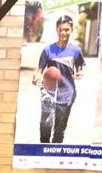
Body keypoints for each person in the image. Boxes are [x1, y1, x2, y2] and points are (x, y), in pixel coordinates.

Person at [33, 15, 85, 144]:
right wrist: (37, 77)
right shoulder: (47, 50)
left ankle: (54, 157)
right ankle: (43, 154)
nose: (63, 32)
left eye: (67, 29)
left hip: (67, 95)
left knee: (59, 130)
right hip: (49, 94)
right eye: (61, 29)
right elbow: (40, 70)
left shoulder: (76, 51)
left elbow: (80, 69)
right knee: (45, 127)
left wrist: (79, 74)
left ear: (71, 30)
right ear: (57, 30)